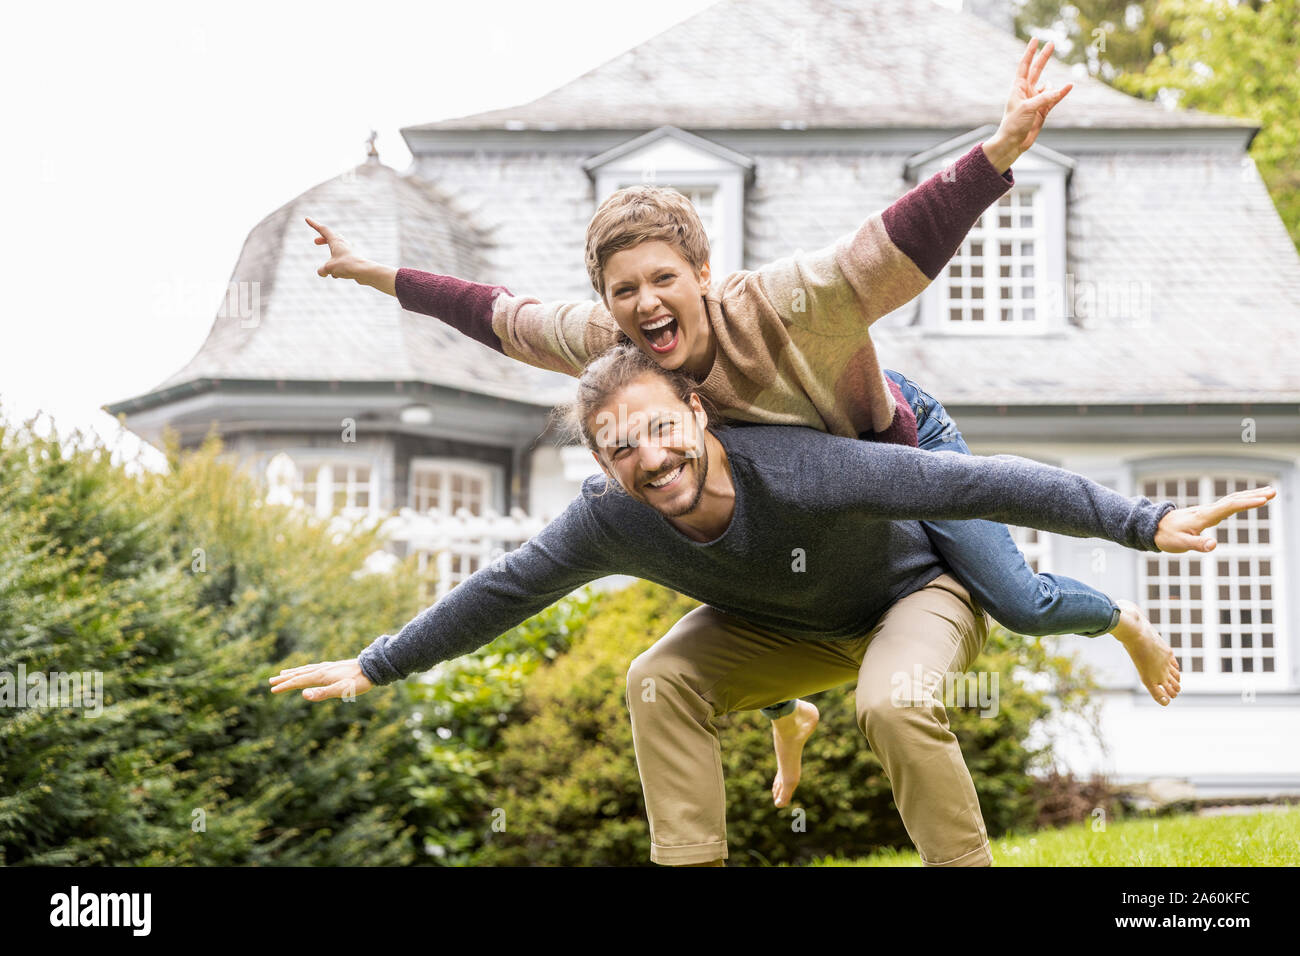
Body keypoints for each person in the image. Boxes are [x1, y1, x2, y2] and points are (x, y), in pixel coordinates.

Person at [304, 39, 1136, 810]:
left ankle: (1120, 618)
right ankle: (788, 713)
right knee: (741, 556)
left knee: (1019, 601)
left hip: (902, 446)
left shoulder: (783, 304)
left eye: (664, 279)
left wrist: (997, 153)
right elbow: (494, 314)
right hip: (790, 504)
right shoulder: (612, 351)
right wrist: (380, 274)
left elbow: (894, 244)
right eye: (624, 291)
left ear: (703, 272)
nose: (645, 304)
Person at [271, 345, 1275, 867]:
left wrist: (1143, 521)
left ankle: (1115, 622)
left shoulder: (800, 466)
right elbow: (503, 589)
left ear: (697, 412)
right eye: (621, 448)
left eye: (661, 430)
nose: (649, 458)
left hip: (913, 595)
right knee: (656, 677)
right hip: (788, 632)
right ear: (599, 459)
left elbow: (977, 484)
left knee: (905, 689)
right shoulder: (605, 519)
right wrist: (376, 662)